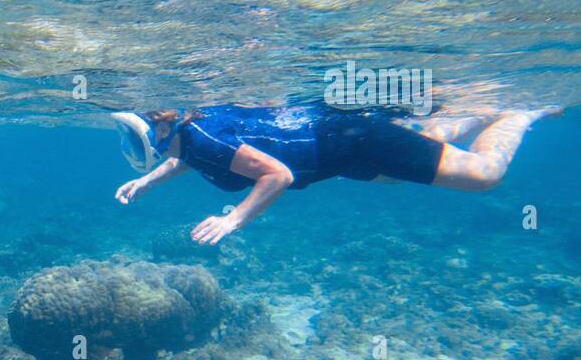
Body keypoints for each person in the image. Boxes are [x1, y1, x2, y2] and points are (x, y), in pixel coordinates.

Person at [113, 99, 559, 244]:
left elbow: (278, 176)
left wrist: (233, 219)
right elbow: (186, 158)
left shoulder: (204, 137)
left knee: (482, 176)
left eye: (138, 136)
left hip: (350, 142)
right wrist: (147, 180)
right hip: (339, 151)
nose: (137, 145)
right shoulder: (191, 135)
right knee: (403, 167)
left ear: (164, 125)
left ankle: (523, 114)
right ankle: (478, 111)